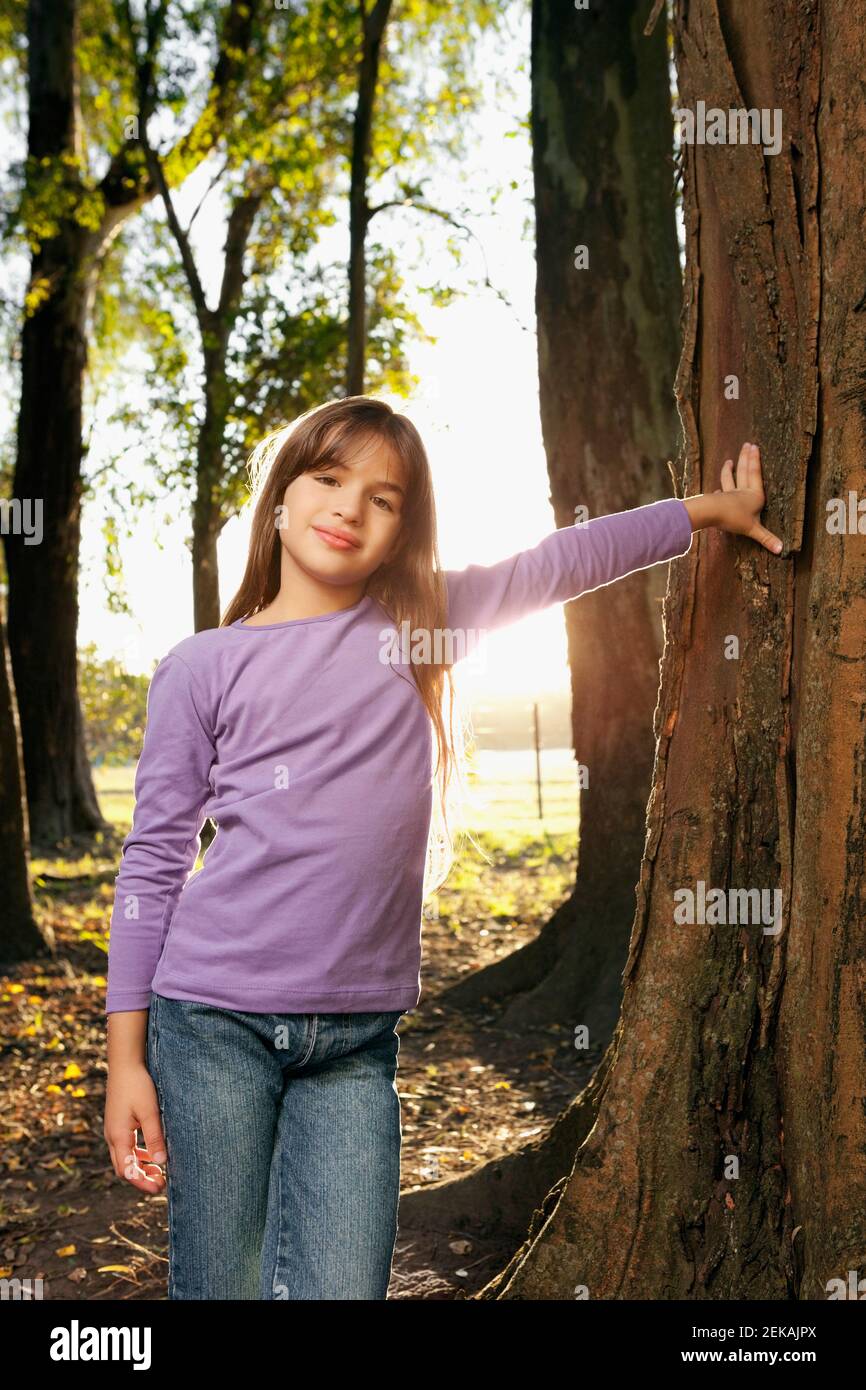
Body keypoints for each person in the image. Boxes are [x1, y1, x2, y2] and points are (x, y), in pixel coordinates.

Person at [103, 396, 782, 1299]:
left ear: (400, 531)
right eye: (329, 479)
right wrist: (125, 1061)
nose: (350, 508)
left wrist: (706, 513)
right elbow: (152, 864)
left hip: (355, 1041)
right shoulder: (200, 668)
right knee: (222, 1283)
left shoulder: (422, 624)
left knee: (344, 1287)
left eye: (383, 500)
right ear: (280, 498)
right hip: (211, 1026)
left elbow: (562, 561)